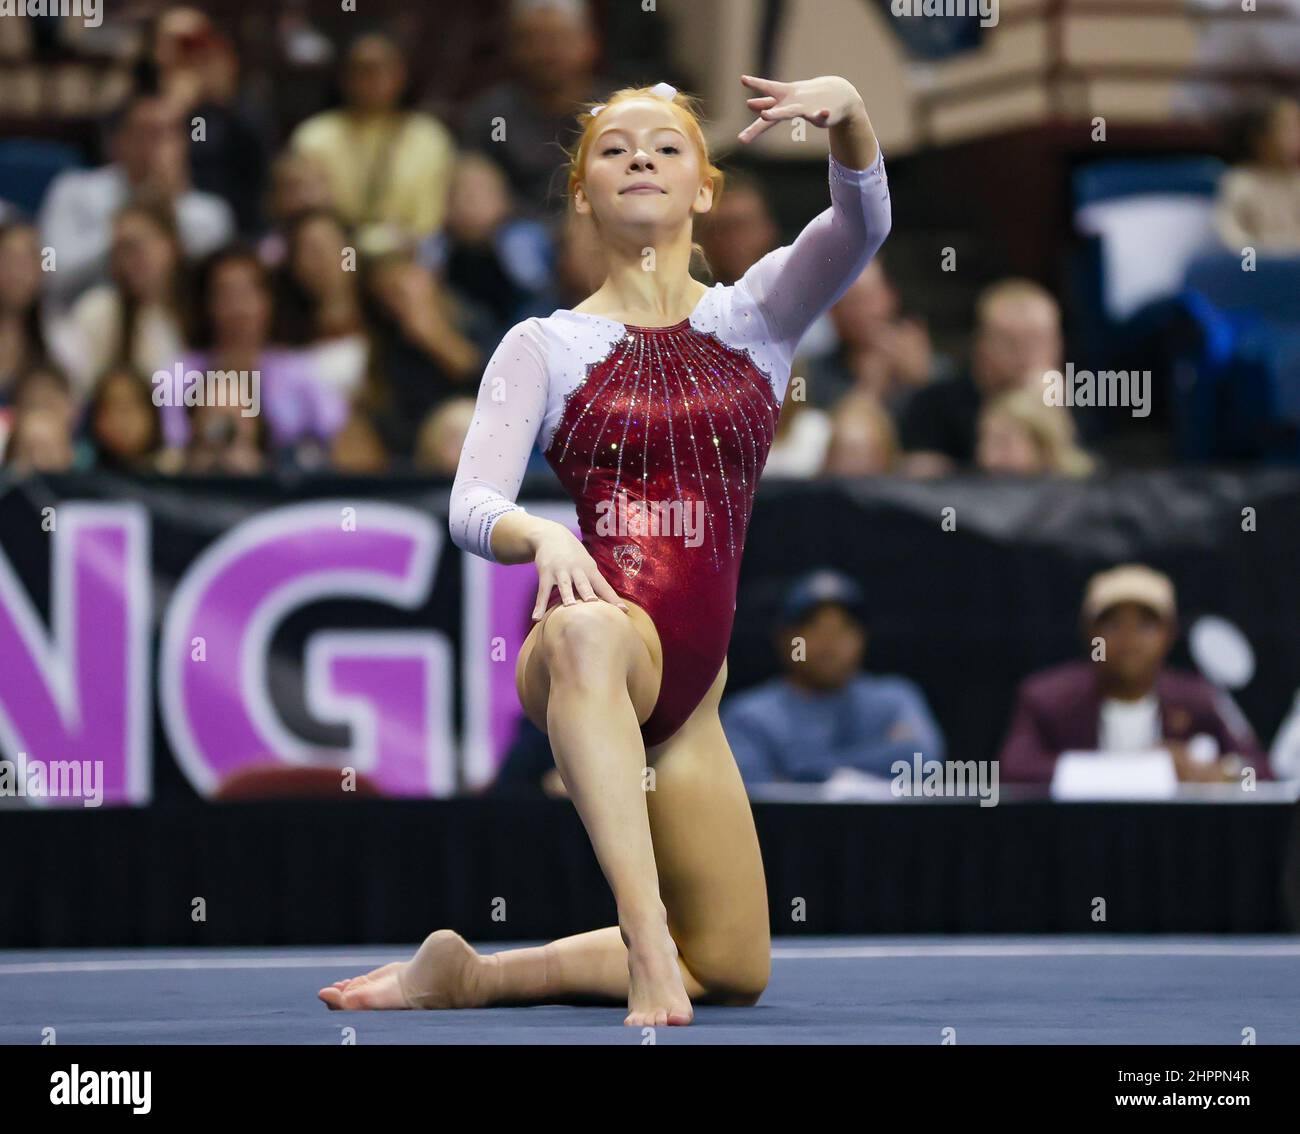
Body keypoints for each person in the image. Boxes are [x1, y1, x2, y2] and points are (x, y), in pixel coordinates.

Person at [319, 75, 890, 1025]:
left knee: (738, 968)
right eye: (615, 149)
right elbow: (471, 502)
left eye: (666, 148)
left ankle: (470, 976)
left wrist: (852, 118)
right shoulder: (545, 345)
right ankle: (646, 940)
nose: (641, 159)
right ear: (583, 194)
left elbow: (860, 227)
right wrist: (540, 531)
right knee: (588, 634)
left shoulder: (756, 317)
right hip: (589, 642)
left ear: (704, 189)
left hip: (688, 708)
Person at [998, 564, 1269, 785]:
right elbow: (1013, 770)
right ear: (1089, 634)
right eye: (1113, 624)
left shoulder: (1200, 698)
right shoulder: (1048, 698)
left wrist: (1220, 772)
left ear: (1169, 635)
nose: (1130, 638)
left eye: (1146, 624)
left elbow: (1260, 771)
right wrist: (1151, 769)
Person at [721, 570, 944, 786]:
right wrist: (880, 758)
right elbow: (753, 793)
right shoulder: (748, 716)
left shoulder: (895, 698)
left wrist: (806, 773)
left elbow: (923, 762)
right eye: (813, 627)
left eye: (844, 628)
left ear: (862, 639)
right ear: (785, 639)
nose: (829, 642)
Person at [38, 92, 234, 305]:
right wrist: (122, 230)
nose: (157, 147)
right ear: (118, 142)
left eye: (169, 133)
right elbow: (51, 272)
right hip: (82, 322)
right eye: (145, 133)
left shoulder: (209, 213)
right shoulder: (73, 190)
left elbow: (214, 293)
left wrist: (169, 207)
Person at [289, 33, 457, 252]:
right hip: (336, 249)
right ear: (345, 78)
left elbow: (432, 222)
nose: (373, 79)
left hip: (407, 250)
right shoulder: (314, 136)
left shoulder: (429, 136)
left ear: (401, 75)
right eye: (363, 70)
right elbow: (301, 208)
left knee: (410, 284)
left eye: (382, 69)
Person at [457, 0, 608, 219]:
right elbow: (475, 179)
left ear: (590, 43)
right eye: (531, 40)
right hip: (511, 231)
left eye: (557, 39)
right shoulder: (492, 114)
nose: (545, 52)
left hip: (601, 226)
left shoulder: (616, 111)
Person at [898, 278, 1062, 475]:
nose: (1026, 354)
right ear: (982, 344)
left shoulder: (1080, 402)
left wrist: (1051, 415)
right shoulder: (935, 405)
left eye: (1038, 341)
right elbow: (920, 486)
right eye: (1011, 342)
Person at [1215, 97, 1300, 254]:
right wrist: (1256, 262)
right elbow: (1231, 235)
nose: (1297, 138)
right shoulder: (1240, 182)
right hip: (1260, 268)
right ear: (1260, 139)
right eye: (1288, 129)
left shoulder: (1296, 181)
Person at [975, 386, 1094, 476]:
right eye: (983, 441)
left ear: (1044, 447)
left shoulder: (1086, 501)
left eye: (1004, 444)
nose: (988, 459)